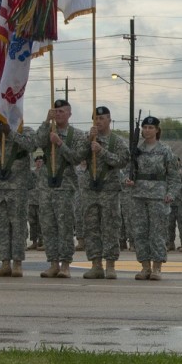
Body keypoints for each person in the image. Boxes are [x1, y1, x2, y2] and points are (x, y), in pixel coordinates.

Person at [33, 100, 87, 278]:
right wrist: (46, 122)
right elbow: (36, 143)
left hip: (65, 185)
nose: (58, 114)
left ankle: (65, 264)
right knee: (48, 226)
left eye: (62, 111)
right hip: (46, 184)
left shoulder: (77, 135)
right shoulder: (48, 131)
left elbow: (77, 158)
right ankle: (53, 263)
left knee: (64, 226)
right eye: (55, 111)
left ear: (69, 114)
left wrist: (60, 144)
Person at [122, 116, 180, 280]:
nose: (147, 130)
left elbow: (174, 177)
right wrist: (126, 179)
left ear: (157, 130)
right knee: (139, 232)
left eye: (150, 127)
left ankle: (157, 267)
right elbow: (125, 170)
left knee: (157, 232)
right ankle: (145, 266)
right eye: (144, 127)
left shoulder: (165, 150)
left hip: (158, 196)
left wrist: (171, 194)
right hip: (138, 195)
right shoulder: (136, 151)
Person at [78, 106, 131, 279]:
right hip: (90, 189)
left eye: (102, 118)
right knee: (91, 227)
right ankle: (96, 264)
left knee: (110, 227)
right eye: (95, 119)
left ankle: (110, 265)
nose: (99, 122)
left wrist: (102, 151)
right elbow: (76, 156)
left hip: (109, 190)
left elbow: (122, 161)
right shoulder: (88, 139)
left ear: (109, 120)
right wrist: (88, 141)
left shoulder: (117, 141)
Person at [0, 117, 35, 277]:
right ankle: (5, 262)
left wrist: (10, 133)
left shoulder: (26, 130)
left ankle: (17, 263)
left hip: (18, 186)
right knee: (1, 226)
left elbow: (31, 145)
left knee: (18, 226)